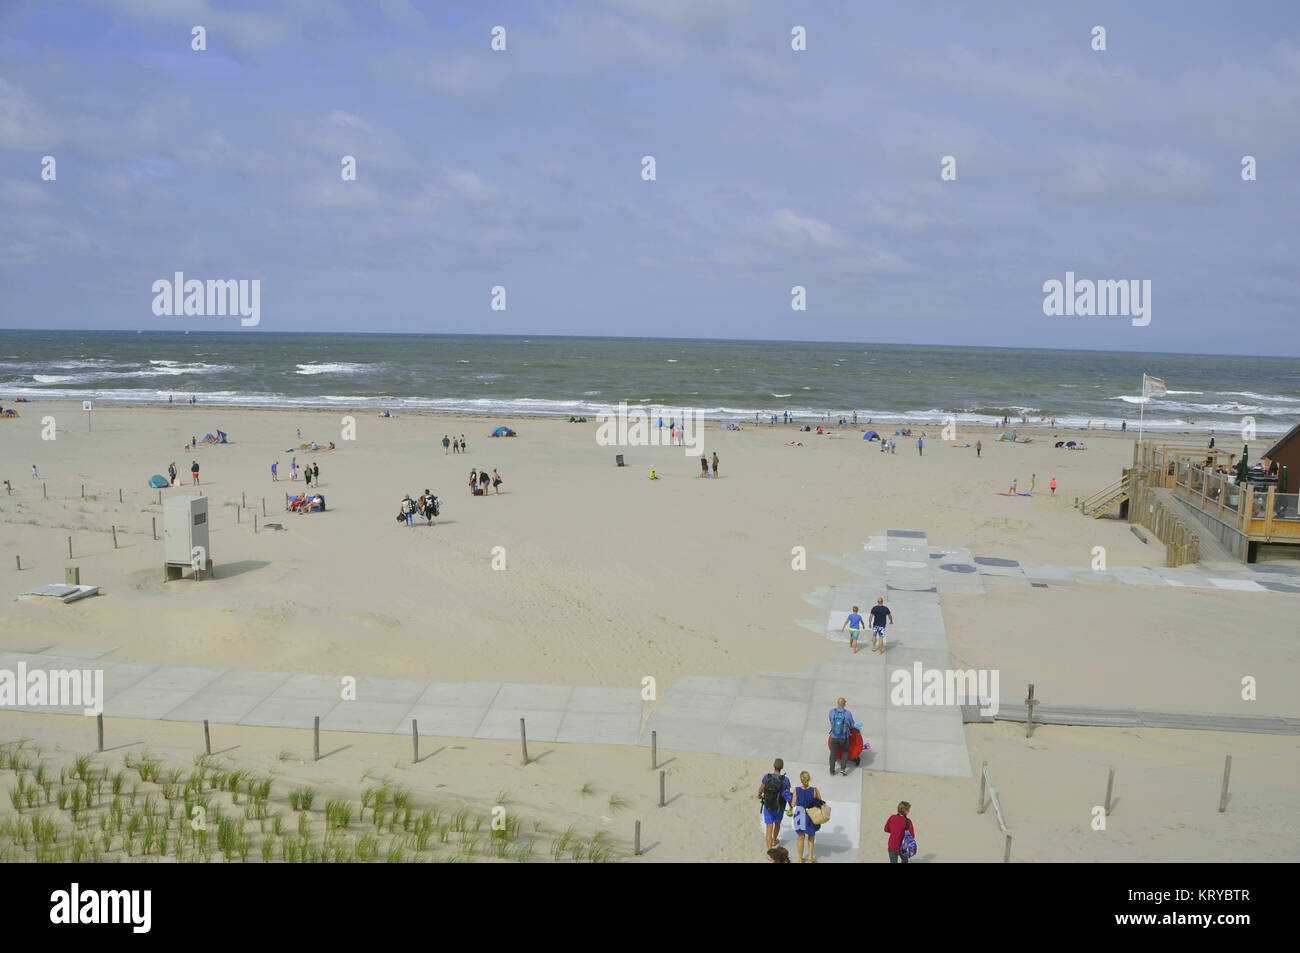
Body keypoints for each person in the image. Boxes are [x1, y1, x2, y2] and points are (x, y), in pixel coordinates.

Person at [758, 759, 792, 850]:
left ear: (773, 766)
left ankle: (770, 851)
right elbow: (787, 796)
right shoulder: (785, 780)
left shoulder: (767, 777)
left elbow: (760, 789)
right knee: (777, 824)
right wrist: (791, 807)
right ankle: (774, 841)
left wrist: (759, 796)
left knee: (769, 828)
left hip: (768, 806)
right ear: (782, 767)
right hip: (779, 807)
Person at [791, 771, 822, 863]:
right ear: (809, 779)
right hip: (810, 814)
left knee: (801, 837)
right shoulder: (814, 790)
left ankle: (800, 859)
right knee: (811, 836)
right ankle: (810, 856)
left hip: (799, 814)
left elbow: (793, 804)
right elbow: (820, 802)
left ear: (801, 780)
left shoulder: (796, 790)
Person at [829, 697, 856, 776]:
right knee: (845, 752)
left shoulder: (831, 712)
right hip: (844, 738)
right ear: (844, 704)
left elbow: (831, 721)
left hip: (834, 737)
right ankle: (843, 770)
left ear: (837, 703)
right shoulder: (848, 713)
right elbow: (852, 725)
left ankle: (832, 771)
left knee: (833, 754)